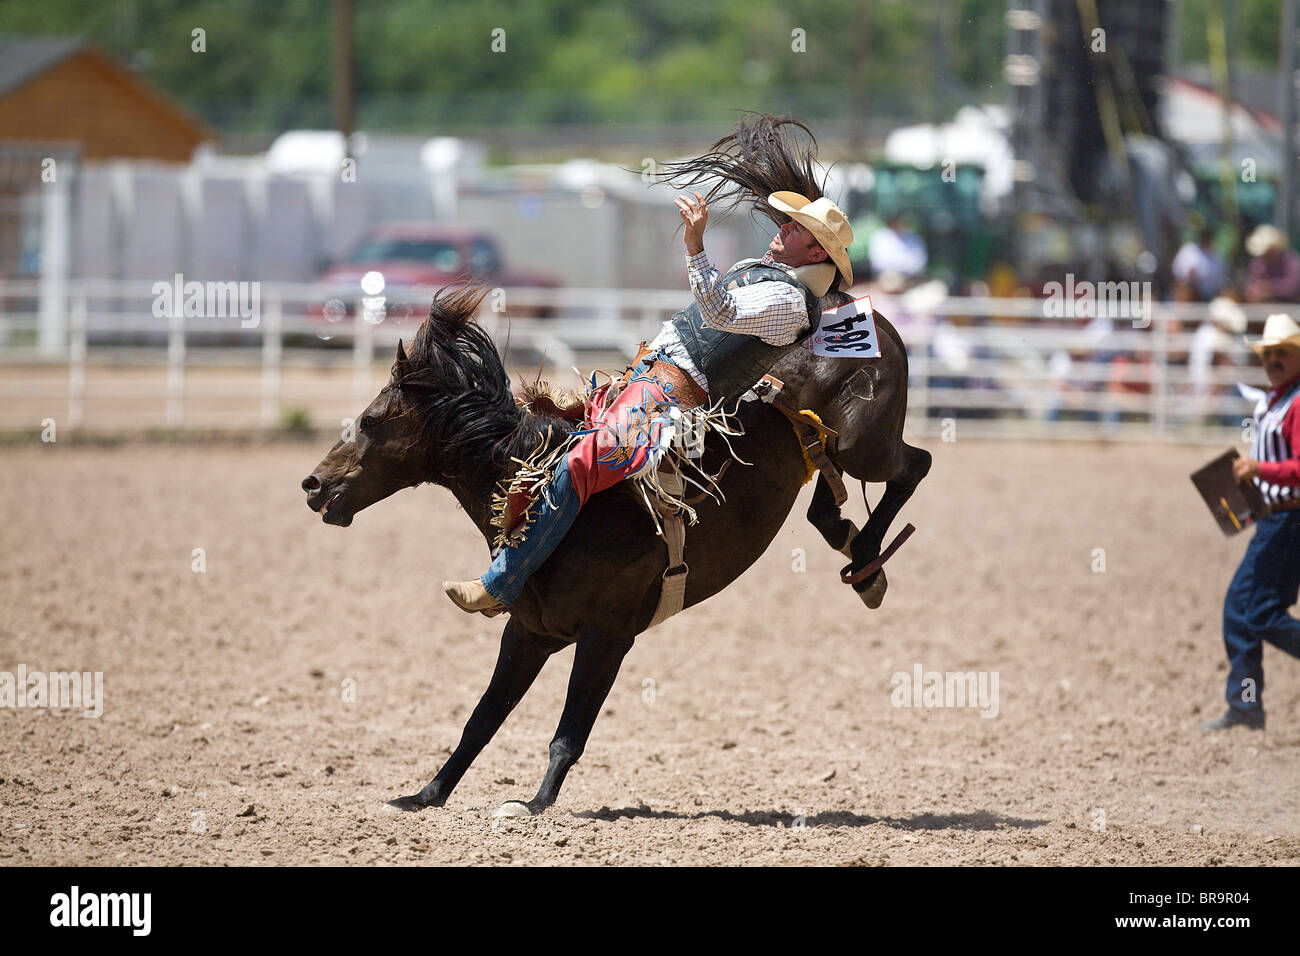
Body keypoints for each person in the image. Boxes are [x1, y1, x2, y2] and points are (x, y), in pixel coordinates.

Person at [441, 189, 855, 613]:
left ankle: (501, 584)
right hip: (647, 376)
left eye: (798, 227)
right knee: (549, 437)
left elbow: (719, 313)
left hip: (668, 397)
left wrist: (695, 245)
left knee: (582, 462)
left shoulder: (789, 302)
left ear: (816, 251)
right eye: (790, 220)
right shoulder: (764, 274)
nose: (784, 225)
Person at [1198, 313, 1300, 731]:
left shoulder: (1295, 404)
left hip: (1288, 519)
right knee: (1241, 609)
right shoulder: (1279, 398)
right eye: (1269, 353)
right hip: (1275, 518)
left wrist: (1259, 470)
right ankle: (1245, 705)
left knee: (1254, 610)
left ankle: (1245, 706)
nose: (1273, 359)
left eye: (1282, 353)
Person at [1244, 225, 1300, 304]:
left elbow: (1293, 286)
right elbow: (1249, 287)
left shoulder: (1290, 261)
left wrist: (1269, 289)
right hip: (1262, 309)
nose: (1264, 256)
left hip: (1290, 308)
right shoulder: (1257, 263)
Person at [1171, 227, 1227, 302]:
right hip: (1186, 290)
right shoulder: (1188, 250)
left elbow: (1218, 281)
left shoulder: (1216, 257)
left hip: (1208, 296)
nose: (1206, 238)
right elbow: (1177, 271)